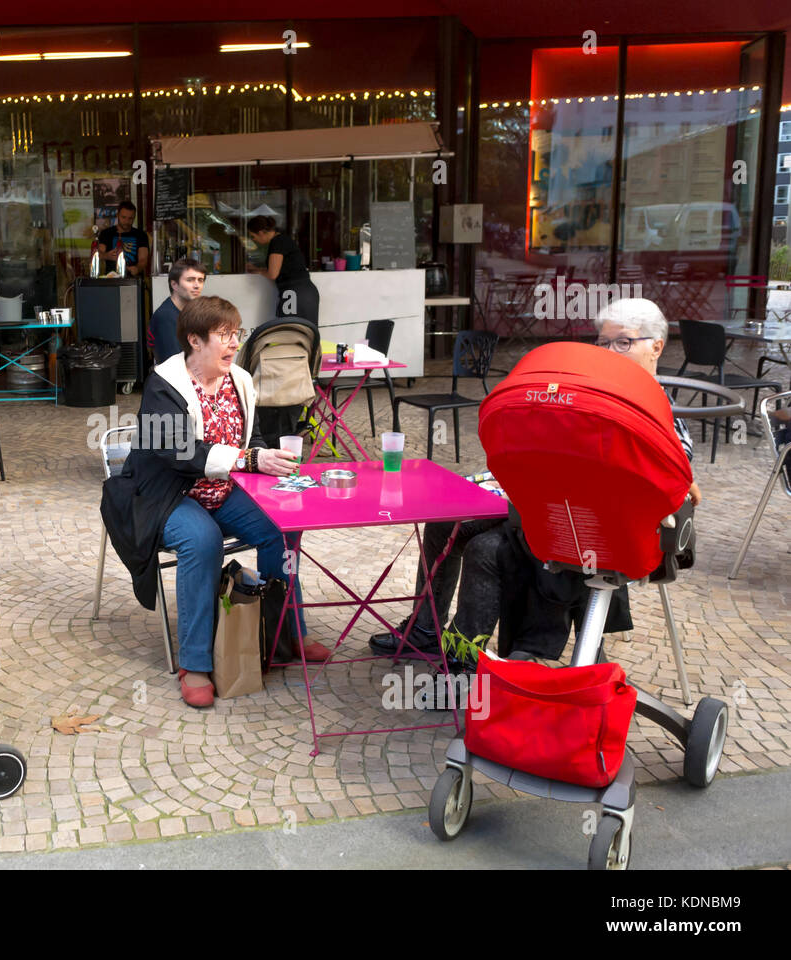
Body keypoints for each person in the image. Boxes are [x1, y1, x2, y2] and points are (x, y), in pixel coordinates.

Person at [369, 297, 701, 663]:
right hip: (543, 505)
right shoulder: (594, 389)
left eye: (622, 342)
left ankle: (460, 658)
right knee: (445, 519)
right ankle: (427, 628)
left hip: (592, 527)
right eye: (603, 343)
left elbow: (675, 476)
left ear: (656, 346)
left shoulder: (657, 406)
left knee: (484, 547)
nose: (609, 352)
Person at [100, 296, 331, 709]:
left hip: (220, 491)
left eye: (235, 335)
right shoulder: (162, 384)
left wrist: (267, 461)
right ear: (194, 340)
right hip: (165, 493)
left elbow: (251, 440)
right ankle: (196, 663)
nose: (233, 344)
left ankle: (286, 632)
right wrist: (249, 459)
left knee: (282, 525)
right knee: (202, 539)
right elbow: (177, 451)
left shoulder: (241, 381)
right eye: (223, 336)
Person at [245, 215, 320, 324]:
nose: (254, 240)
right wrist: (258, 269)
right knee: (307, 332)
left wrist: (258, 271)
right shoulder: (283, 239)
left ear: (261, 232)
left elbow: (273, 273)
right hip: (306, 292)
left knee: (289, 331)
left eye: (253, 236)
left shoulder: (277, 242)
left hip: (294, 294)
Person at [149, 258, 205, 366]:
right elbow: (173, 366)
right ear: (174, 285)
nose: (197, 285)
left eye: (200, 280)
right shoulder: (166, 316)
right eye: (190, 280)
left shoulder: (187, 312)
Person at [94, 200, 150, 278]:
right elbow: (98, 254)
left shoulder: (141, 235)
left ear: (134, 217)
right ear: (117, 215)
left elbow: (143, 259)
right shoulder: (106, 233)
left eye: (130, 218)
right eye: (123, 217)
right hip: (111, 280)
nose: (126, 221)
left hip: (133, 280)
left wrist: (137, 268)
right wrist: (107, 255)